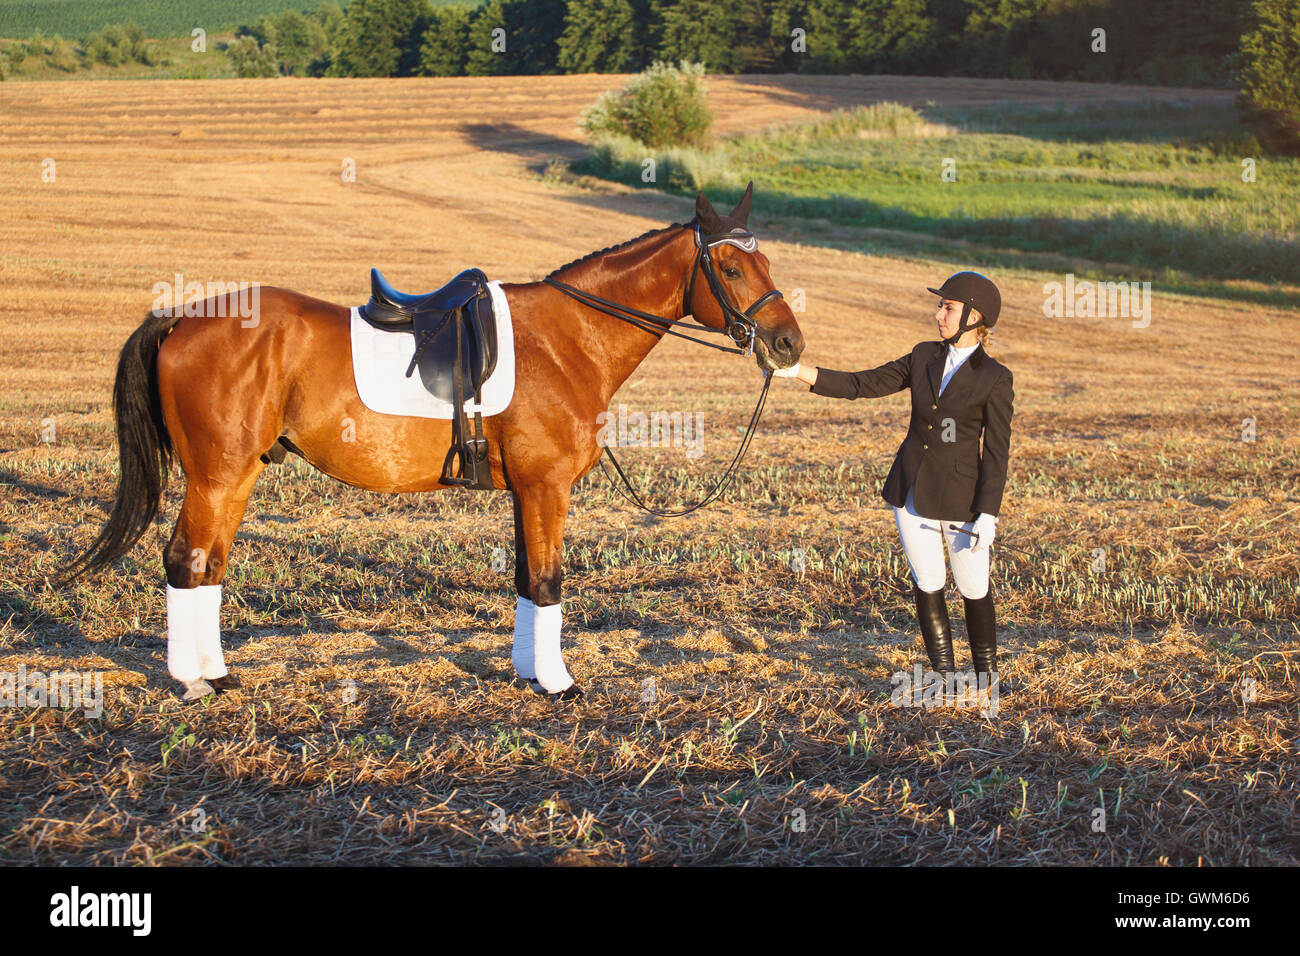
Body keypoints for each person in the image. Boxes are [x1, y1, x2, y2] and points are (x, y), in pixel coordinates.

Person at [772, 272, 1014, 692]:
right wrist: (798, 372)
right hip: (911, 491)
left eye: (948, 308)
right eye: (940, 306)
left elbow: (996, 451)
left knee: (973, 587)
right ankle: (944, 679)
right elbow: (863, 383)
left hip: (963, 502)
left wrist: (988, 513)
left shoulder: (995, 377)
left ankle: (986, 682)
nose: (938, 314)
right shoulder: (922, 356)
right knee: (928, 583)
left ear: (974, 317)